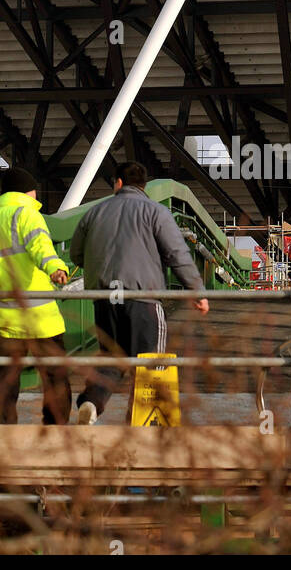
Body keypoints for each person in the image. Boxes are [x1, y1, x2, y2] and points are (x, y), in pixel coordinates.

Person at [69, 161, 209, 424]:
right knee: (151, 365)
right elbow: (176, 254)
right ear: (143, 185)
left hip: (104, 299)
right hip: (142, 299)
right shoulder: (155, 211)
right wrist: (196, 291)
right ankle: (143, 422)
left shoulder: (94, 212)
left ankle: (91, 403)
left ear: (118, 182)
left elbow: (76, 253)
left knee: (111, 359)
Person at [0, 165, 72, 425]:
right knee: (54, 376)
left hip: (0, 318)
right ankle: (56, 428)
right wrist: (56, 268)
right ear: (28, 192)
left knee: (4, 381)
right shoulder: (27, 215)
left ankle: (4, 433)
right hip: (37, 315)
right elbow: (41, 246)